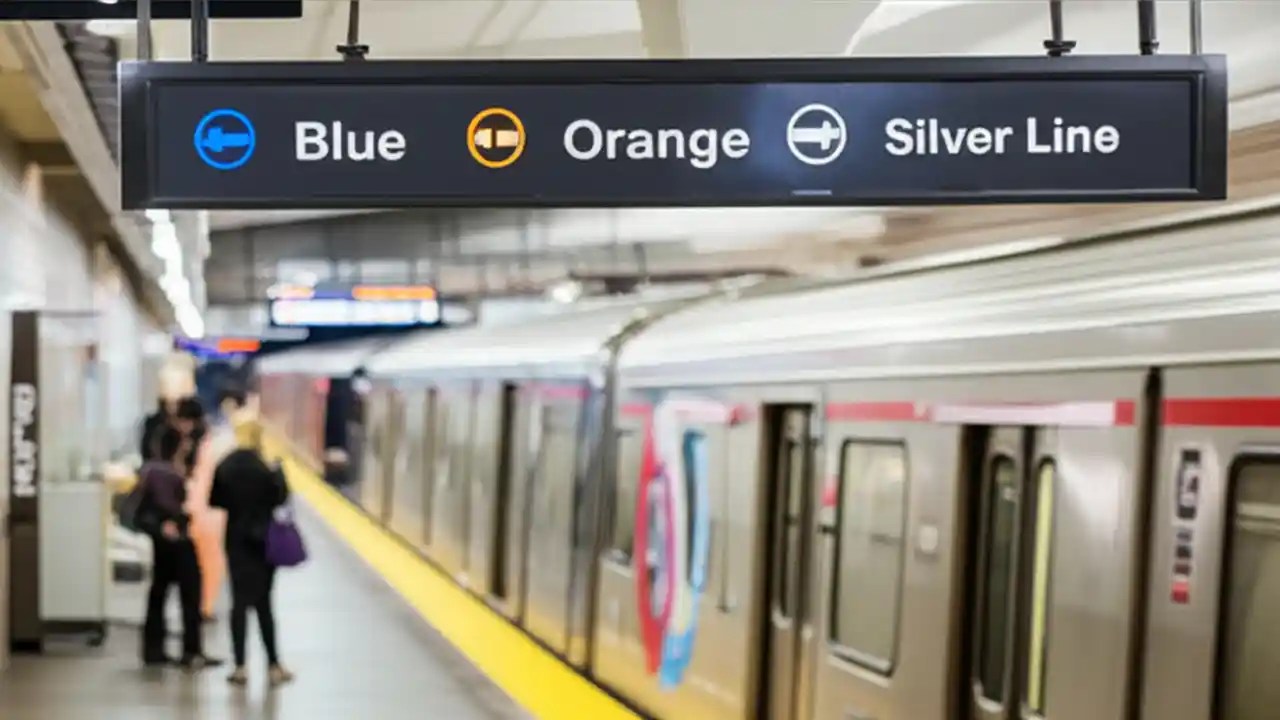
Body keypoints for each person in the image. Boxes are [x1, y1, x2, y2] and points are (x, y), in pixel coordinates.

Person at [211, 416, 294, 687]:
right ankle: (273, 665)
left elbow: (215, 500)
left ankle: (240, 667)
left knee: (238, 604)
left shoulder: (226, 465)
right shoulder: (265, 467)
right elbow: (280, 498)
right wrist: (279, 472)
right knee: (264, 604)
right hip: (263, 542)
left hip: (235, 541)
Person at [135, 425, 222, 670]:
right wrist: (178, 520)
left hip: (159, 544)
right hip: (178, 544)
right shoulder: (169, 474)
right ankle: (192, 651)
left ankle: (153, 650)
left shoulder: (150, 469)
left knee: (158, 595)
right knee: (191, 595)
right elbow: (174, 509)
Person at [176, 397, 226, 623]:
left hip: (199, 513)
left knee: (202, 564)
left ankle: (201, 607)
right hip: (209, 515)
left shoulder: (197, 446)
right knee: (207, 564)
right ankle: (203, 607)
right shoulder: (209, 443)